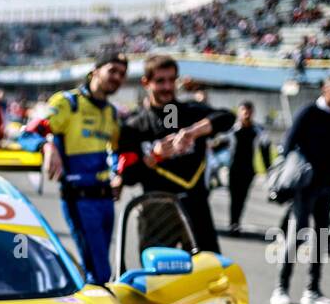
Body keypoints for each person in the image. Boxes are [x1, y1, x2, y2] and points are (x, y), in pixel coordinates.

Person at [118, 55, 235, 255]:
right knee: (159, 278)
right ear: (146, 82)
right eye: (160, 81)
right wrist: (154, 156)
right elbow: (128, 176)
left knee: (209, 273)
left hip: (195, 206)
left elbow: (227, 117)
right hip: (156, 210)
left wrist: (192, 132)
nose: (167, 87)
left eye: (172, 80)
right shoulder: (134, 126)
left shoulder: (189, 112)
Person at [30, 52, 127, 284]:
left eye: (122, 74)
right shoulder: (67, 102)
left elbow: (116, 150)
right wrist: (48, 146)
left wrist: (118, 174)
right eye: (112, 70)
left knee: (102, 267)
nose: (117, 77)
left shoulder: (112, 112)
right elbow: (29, 132)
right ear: (95, 71)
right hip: (80, 198)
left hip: (106, 199)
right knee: (98, 272)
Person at [271, 75, 330, 304]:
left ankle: (312, 290)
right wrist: (298, 169)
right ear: (326, 89)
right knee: (296, 234)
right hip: (305, 186)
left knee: (322, 237)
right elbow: (288, 144)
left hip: (327, 186)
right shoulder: (308, 112)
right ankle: (281, 287)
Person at [220, 101, 272, 235]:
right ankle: (233, 222)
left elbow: (265, 151)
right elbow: (219, 145)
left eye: (249, 111)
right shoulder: (232, 129)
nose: (246, 114)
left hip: (248, 170)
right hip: (233, 168)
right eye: (243, 110)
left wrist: (269, 171)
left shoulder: (259, 130)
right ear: (239, 112)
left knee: (242, 197)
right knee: (234, 196)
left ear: (252, 113)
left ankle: (236, 223)